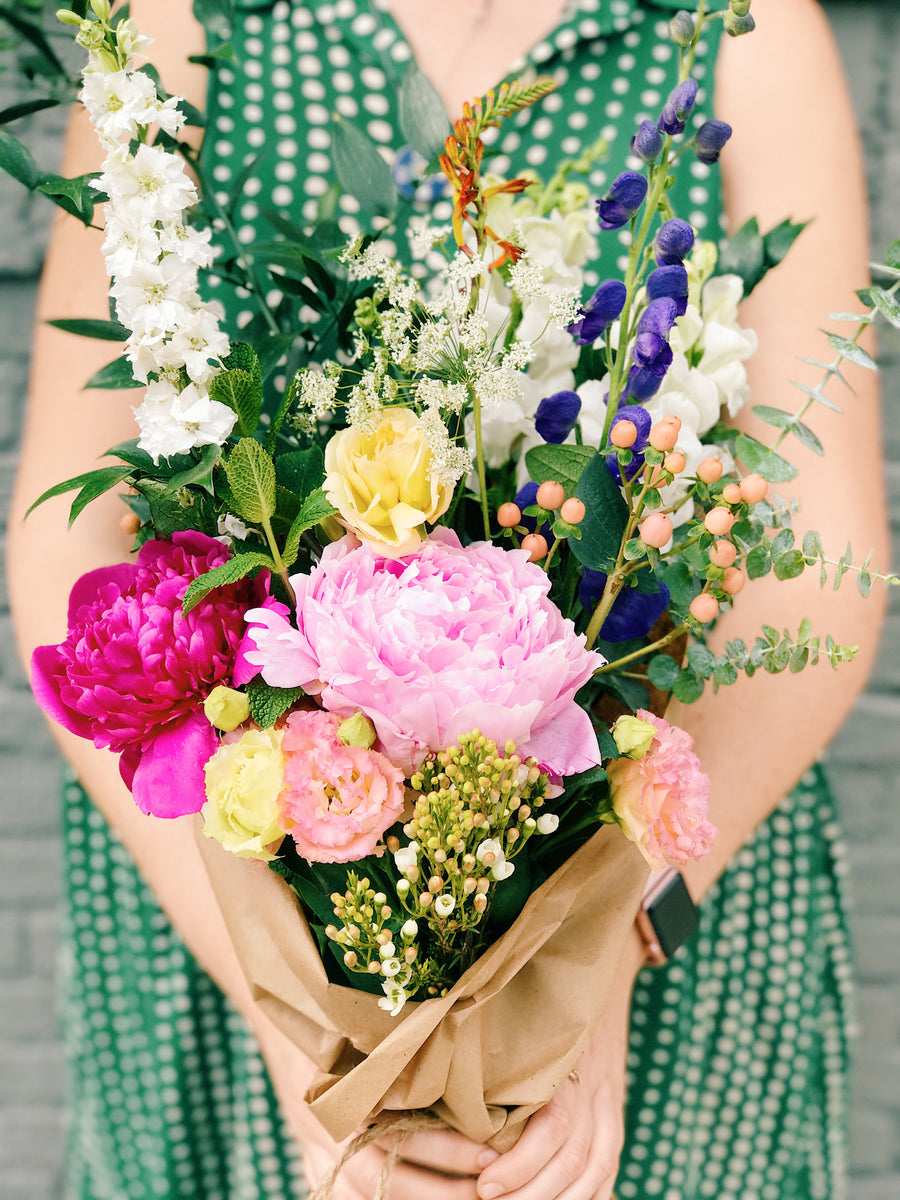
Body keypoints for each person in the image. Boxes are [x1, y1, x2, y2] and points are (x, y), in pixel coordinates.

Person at [7, 0, 888, 1197]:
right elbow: (66, 561)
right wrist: (294, 1013)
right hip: (239, 915)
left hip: (648, 920)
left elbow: (823, 556)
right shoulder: (170, 24)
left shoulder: (742, 28)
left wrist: (593, 965)